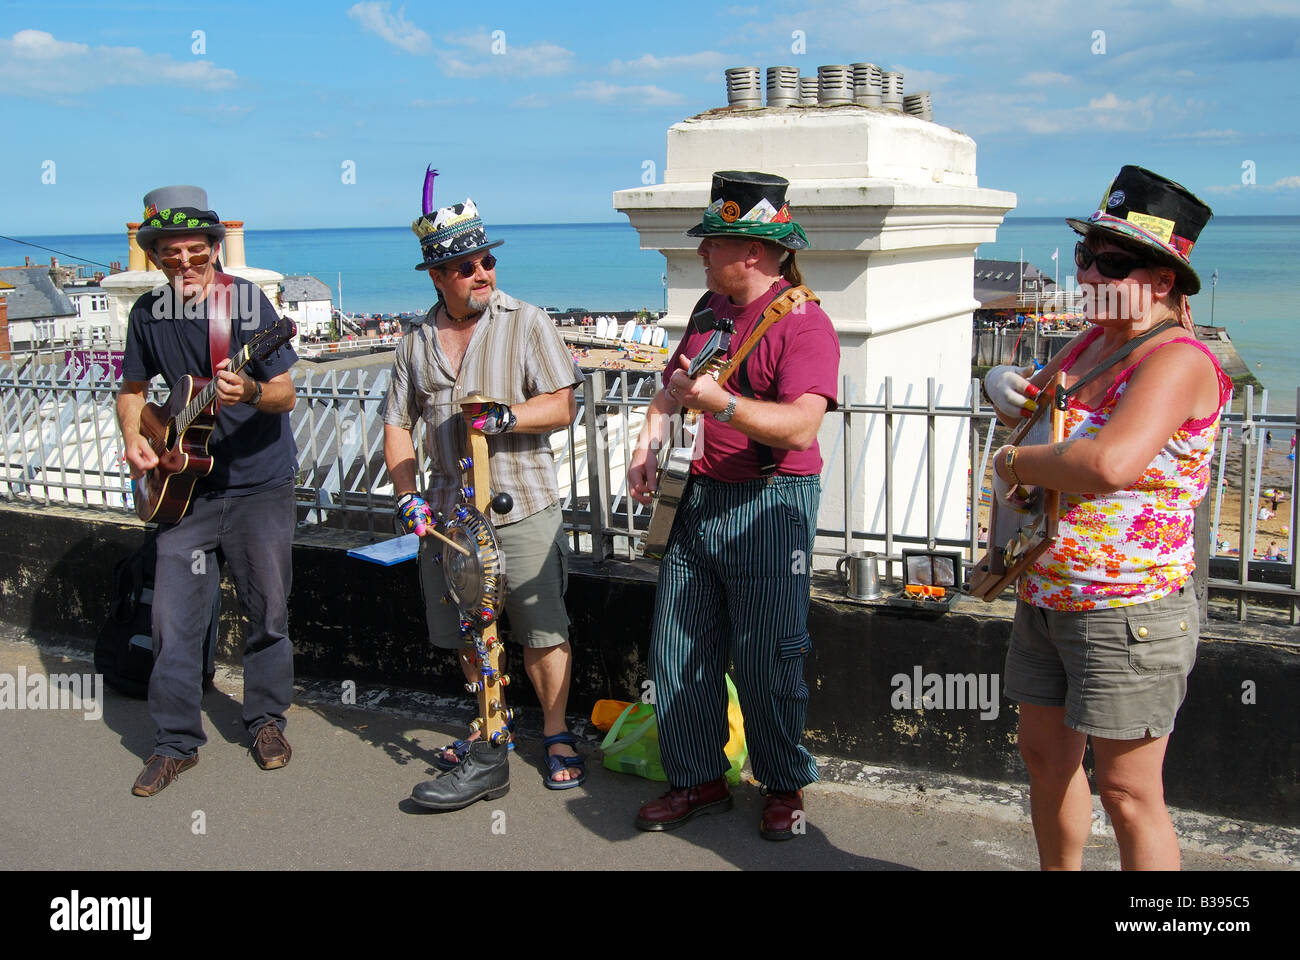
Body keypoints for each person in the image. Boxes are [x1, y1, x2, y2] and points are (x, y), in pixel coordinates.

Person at [984, 166, 1228, 869]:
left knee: (1127, 790)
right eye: (1088, 255)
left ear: (1162, 280)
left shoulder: (1178, 359)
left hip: (1127, 609)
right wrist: (1005, 390)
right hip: (1049, 589)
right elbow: (1043, 409)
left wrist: (1013, 467)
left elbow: (1110, 463)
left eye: (1110, 262)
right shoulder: (1096, 340)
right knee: (1044, 759)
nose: (1088, 272)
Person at [627, 171, 840, 840]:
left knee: (766, 656)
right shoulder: (708, 310)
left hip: (771, 502)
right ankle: (696, 778)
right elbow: (672, 389)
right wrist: (650, 436)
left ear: (751, 250)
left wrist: (719, 404)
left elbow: (803, 427)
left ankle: (783, 785)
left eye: (711, 243)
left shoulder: (805, 323)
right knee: (678, 646)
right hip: (703, 495)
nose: (700, 254)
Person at [382, 185, 582, 810]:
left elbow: (562, 405)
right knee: (470, 630)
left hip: (520, 505)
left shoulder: (527, 322)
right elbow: (396, 424)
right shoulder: (414, 342)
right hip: (447, 518)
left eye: (488, 261)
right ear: (439, 275)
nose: (483, 273)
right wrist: (408, 495)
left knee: (542, 628)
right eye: (467, 267)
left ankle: (552, 732)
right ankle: (489, 726)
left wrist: (504, 418)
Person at [117, 185, 298, 797]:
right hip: (184, 491)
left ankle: (266, 720)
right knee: (173, 621)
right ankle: (173, 744)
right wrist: (140, 442)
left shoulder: (246, 307)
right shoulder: (146, 315)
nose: (186, 264)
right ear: (157, 257)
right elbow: (133, 392)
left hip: (258, 486)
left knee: (268, 611)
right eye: (172, 255)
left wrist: (247, 392)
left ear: (214, 250)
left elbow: (286, 394)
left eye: (196, 252)